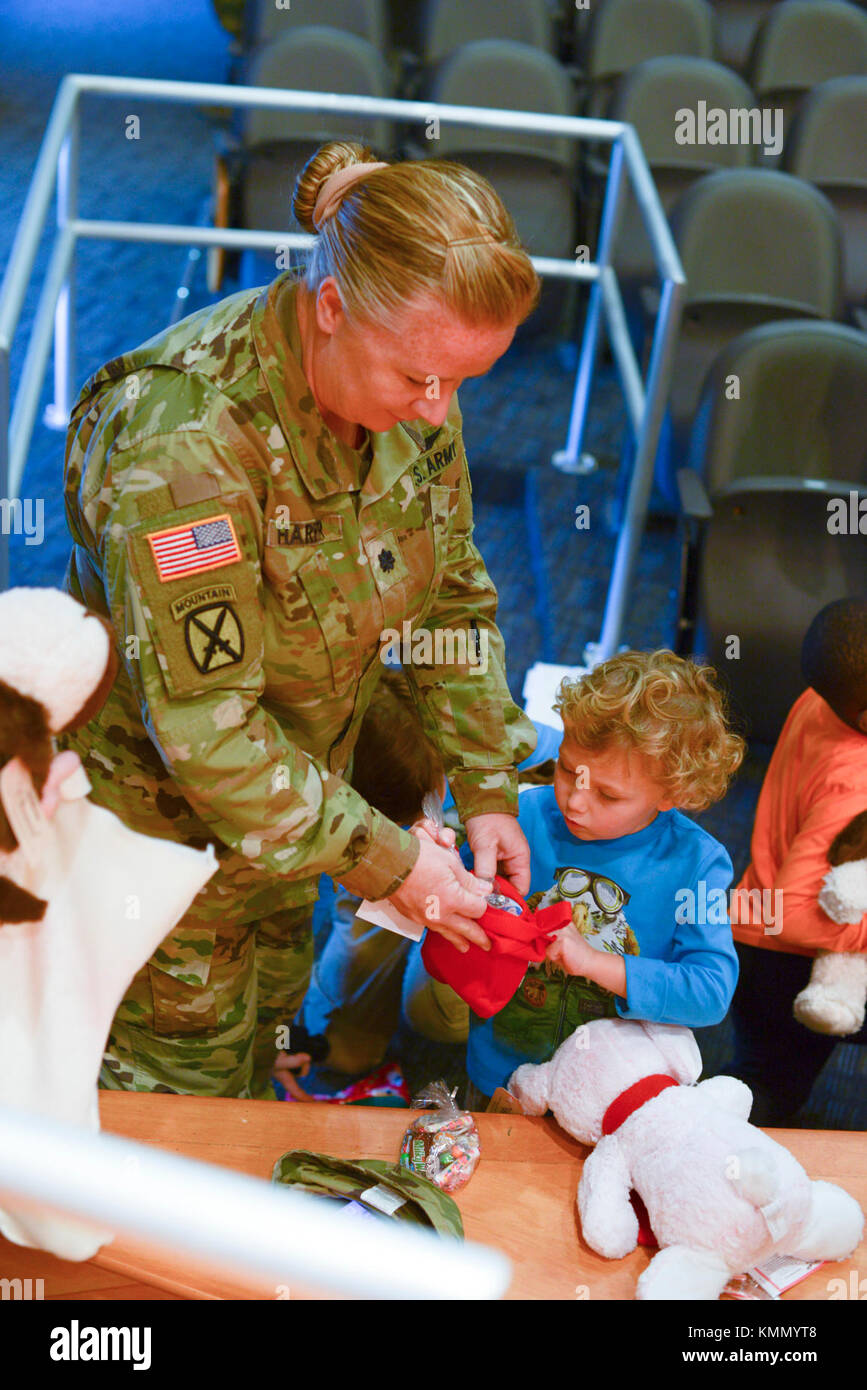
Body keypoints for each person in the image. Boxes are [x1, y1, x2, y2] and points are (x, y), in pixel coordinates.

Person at [59, 140, 541, 1098]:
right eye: (419, 379)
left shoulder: (413, 379)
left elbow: (451, 595)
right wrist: (393, 861)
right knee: (169, 1130)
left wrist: (488, 782)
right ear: (330, 307)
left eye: (464, 382)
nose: (439, 410)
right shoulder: (185, 439)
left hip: (299, 828)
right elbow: (206, 729)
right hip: (159, 854)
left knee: (261, 1050)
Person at [462, 650, 746, 1107]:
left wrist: (595, 963)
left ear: (674, 793)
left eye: (608, 795)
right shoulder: (524, 815)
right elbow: (453, 904)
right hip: (499, 1068)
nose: (575, 802)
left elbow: (710, 992)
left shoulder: (698, 864)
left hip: (607, 1095)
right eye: (567, 770)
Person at [300, 666, 563, 1078]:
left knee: (433, 1007)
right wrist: (384, 860)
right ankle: (333, 1050)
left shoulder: (479, 730)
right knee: (350, 1008)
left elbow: (566, 754)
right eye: (409, 819)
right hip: (364, 855)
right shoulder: (323, 779)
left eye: (427, 804)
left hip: (463, 831)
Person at [726, 598, 867, 1127]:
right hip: (784, 957)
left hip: (756, 923)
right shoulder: (855, 785)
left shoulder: (824, 695)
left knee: (759, 1083)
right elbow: (791, 913)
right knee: (761, 1096)